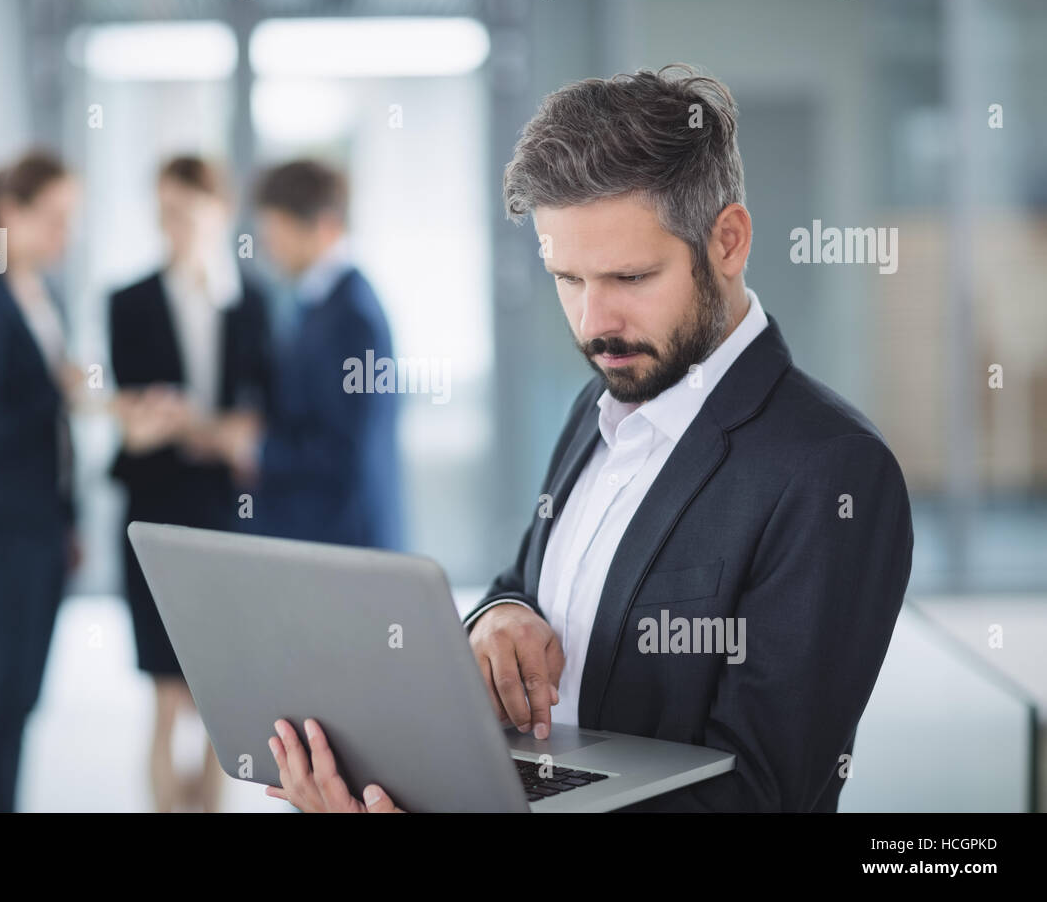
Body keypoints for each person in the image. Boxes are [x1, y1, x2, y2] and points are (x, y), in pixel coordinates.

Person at [266, 65, 914, 813]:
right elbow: (523, 586)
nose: (591, 323)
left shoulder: (832, 473)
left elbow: (761, 796)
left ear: (728, 241)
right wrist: (498, 619)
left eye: (630, 277)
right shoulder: (599, 403)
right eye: (567, 278)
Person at [108, 156, 272, 812]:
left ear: (220, 212)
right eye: (163, 211)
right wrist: (209, 429)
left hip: (227, 511)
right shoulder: (130, 301)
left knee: (216, 688)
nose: (171, 225)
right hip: (154, 510)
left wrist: (197, 426)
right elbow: (136, 417)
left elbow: (262, 414)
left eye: (186, 210)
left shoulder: (252, 302)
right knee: (165, 693)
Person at [0, 150, 82, 813]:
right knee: (7, 689)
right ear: (12, 215)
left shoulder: (44, 297)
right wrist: (58, 393)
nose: (65, 235)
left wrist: (72, 518)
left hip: (45, 523)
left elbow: (57, 434)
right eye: (55, 219)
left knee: (27, 690)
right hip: (3, 527)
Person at [205, 160, 402, 550]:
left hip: (342, 546)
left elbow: (346, 451)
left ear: (323, 227)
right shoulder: (315, 304)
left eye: (276, 229)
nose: (268, 244)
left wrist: (254, 447)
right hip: (319, 538)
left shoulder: (353, 318)